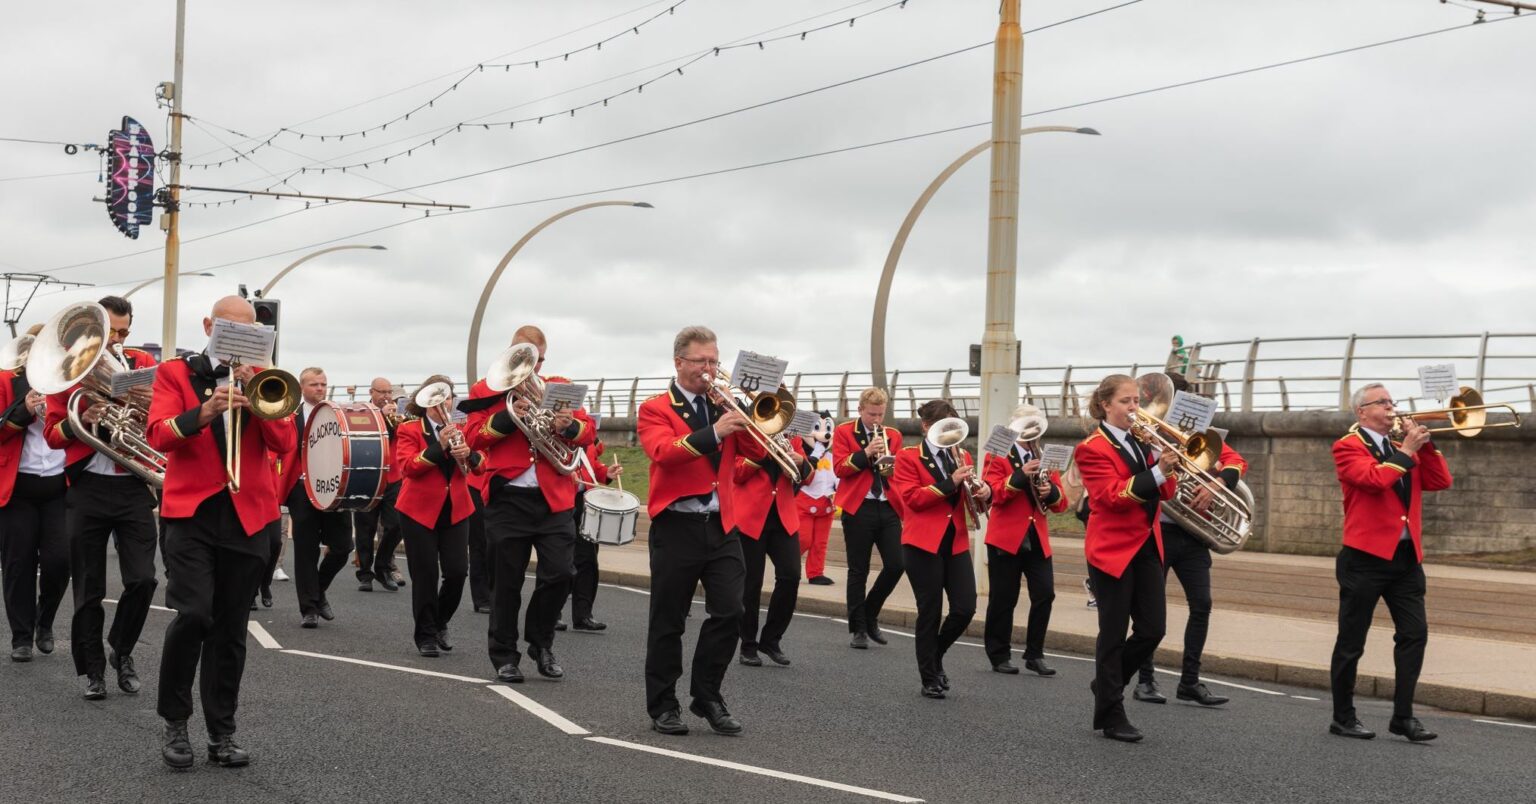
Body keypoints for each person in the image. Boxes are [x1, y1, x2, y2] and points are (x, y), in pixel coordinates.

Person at [147, 295, 296, 768]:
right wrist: (206, 411)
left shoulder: (265, 377)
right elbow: (159, 434)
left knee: (231, 629)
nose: (239, 338)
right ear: (210, 325)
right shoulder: (175, 373)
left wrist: (257, 396)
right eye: (230, 329)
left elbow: (285, 443)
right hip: (191, 511)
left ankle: (222, 732)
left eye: (250, 332)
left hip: (249, 514)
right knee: (193, 615)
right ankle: (175, 721)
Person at [43, 295, 159, 700]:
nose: (118, 341)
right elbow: (53, 435)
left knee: (144, 579)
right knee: (88, 588)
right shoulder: (71, 373)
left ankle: (121, 650)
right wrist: (83, 421)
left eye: (124, 333)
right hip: (89, 488)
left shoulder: (142, 365)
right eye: (112, 332)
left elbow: (159, 418)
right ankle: (93, 671)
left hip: (132, 485)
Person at [463, 325, 593, 684]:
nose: (534, 369)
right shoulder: (486, 390)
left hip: (554, 498)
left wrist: (568, 427)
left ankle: (541, 642)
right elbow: (474, 437)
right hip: (509, 499)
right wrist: (507, 415)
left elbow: (589, 431)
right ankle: (505, 655)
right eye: (527, 359)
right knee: (506, 583)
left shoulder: (559, 386)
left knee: (561, 574)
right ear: (513, 354)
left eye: (540, 360)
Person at [637, 325, 750, 736]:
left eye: (714, 361)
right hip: (677, 525)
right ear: (679, 362)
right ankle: (663, 704)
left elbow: (754, 449)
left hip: (721, 524)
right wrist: (716, 431)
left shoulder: (724, 405)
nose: (709, 369)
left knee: (731, 611)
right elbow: (664, 453)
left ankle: (707, 695)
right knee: (669, 620)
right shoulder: (655, 408)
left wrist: (753, 420)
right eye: (701, 361)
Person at [1328, 383, 1452, 743]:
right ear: (1361, 412)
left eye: (1391, 401)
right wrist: (1408, 451)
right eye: (1382, 402)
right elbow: (1373, 480)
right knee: (1352, 641)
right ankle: (1343, 717)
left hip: (1406, 559)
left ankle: (1403, 717)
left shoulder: (1403, 448)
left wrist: (1426, 447)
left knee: (1415, 635)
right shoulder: (1347, 446)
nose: (1391, 407)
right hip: (1364, 558)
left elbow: (1440, 481)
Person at [1076, 374, 1178, 742]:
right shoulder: (1092, 447)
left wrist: (1165, 462)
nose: (1135, 408)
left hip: (1148, 545)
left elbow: (1164, 491)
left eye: (1136, 400)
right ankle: (1111, 714)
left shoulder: (1142, 440)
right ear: (1106, 405)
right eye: (1126, 401)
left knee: (1153, 629)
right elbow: (1110, 497)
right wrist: (1156, 470)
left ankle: (1106, 682)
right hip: (1112, 550)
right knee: (1114, 633)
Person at [1134, 372, 1246, 707]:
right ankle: (1145, 679)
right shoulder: (1142, 434)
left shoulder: (1197, 434)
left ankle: (1190, 681)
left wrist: (1215, 486)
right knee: (1151, 608)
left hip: (1192, 534)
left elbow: (1236, 460)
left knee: (1202, 605)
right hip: (1157, 529)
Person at [889, 399, 984, 699]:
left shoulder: (962, 453)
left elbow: (972, 501)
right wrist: (950, 482)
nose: (949, 434)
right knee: (929, 611)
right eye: (943, 427)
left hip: (954, 540)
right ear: (926, 427)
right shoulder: (907, 457)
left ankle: (935, 656)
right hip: (921, 544)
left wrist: (984, 491)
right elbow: (912, 499)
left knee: (965, 607)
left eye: (953, 427)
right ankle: (929, 676)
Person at [395, 376, 484, 656]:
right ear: (424, 403)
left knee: (458, 573)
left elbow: (481, 468)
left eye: (446, 398)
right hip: (418, 511)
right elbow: (408, 467)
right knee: (425, 575)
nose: (443, 404)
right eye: (436, 399)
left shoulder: (462, 428)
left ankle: (439, 621)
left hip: (456, 508)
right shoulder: (410, 429)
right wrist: (439, 446)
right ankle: (425, 636)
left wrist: (469, 454)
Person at [982, 404, 1069, 677]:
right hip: (1006, 536)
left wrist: (1050, 490)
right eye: (1027, 426)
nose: (1032, 433)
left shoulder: (1045, 455)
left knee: (1045, 594)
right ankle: (999, 654)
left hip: (1037, 537)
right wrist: (1020, 476)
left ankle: (1035, 654)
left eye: (1036, 426)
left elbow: (1061, 505)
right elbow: (992, 493)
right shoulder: (998, 452)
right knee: (1003, 598)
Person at [0, 330, 69, 663]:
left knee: (60, 561)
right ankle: (21, 637)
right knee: (18, 564)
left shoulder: (72, 380)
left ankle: (45, 620)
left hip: (59, 487)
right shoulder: (6, 381)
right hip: (19, 489)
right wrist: (23, 411)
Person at [278, 367, 355, 628]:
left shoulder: (338, 414)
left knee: (343, 547)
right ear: (302, 388)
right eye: (314, 384)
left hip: (334, 488)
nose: (320, 389)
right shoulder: (290, 415)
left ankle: (318, 589)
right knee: (306, 550)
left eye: (323, 384)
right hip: (302, 490)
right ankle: (308, 608)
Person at [731, 419, 812, 668]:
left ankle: (771, 639)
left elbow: (806, 478)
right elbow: (736, 472)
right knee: (750, 584)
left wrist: (801, 463)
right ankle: (748, 644)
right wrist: (762, 454)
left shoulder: (791, 437)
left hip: (783, 517)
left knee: (790, 576)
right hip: (750, 517)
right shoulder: (744, 433)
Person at [832, 387, 905, 649]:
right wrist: (865, 453)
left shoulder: (893, 435)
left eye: (880, 414)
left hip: (887, 506)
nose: (876, 420)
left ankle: (870, 613)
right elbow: (840, 469)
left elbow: (891, 473)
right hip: (858, 506)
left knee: (897, 564)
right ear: (861, 409)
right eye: (872, 414)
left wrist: (885, 458)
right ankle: (858, 629)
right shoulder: (844, 431)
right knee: (858, 570)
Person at [354, 376, 406, 592]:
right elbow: (364, 434)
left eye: (388, 393)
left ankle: (383, 566)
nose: (386, 397)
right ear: (371, 392)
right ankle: (365, 573)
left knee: (396, 524)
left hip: (393, 475)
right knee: (365, 527)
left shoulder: (398, 413)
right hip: (369, 474)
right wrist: (382, 418)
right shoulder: (361, 411)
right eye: (382, 392)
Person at [565, 439, 622, 631]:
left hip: (585, 500)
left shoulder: (585, 433)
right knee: (559, 561)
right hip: (561, 498)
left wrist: (606, 473)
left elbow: (591, 465)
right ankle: (551, 613)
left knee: (588, 560)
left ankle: (583, 615)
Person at [796, 412, 837, 586]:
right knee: (803, 538)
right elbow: (807, 477)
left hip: (826, 504)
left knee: (820, 543)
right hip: (805, 502)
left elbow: (837, 476)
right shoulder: (801, 455)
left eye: (828, 429)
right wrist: (816, 453)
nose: (825, 434)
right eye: (818, 429)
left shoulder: (832, 457)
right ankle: (788, 561)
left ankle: (815, 573)